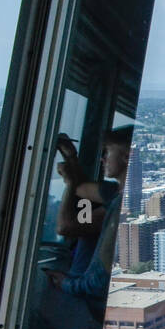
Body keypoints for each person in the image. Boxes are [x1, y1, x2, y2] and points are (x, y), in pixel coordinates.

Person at [45, 125, 131, 302]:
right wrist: (71, 158)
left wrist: (65, 284)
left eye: (108, 152)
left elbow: (67, 227)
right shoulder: (115, 191)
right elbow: (82, 189)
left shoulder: (121, 205)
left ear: (127, 156)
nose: (103, 159)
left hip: (83, 295)